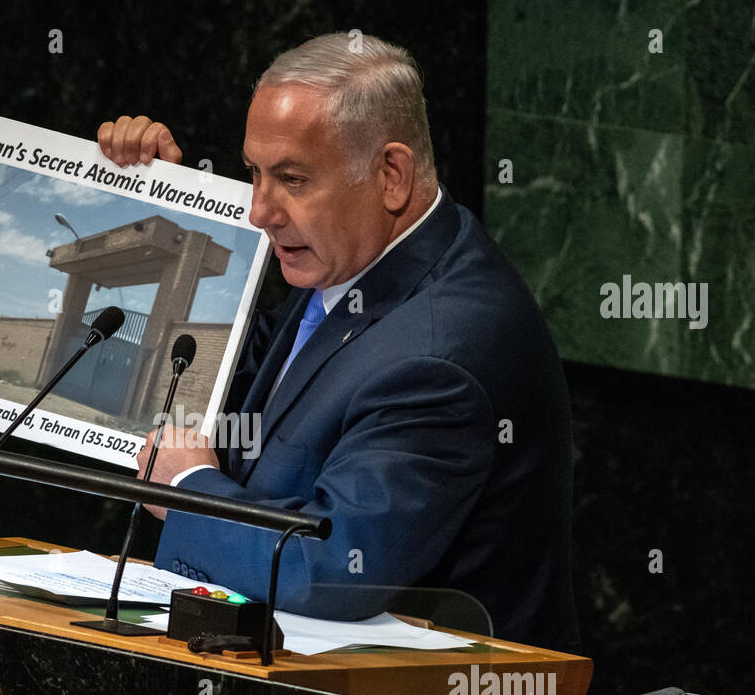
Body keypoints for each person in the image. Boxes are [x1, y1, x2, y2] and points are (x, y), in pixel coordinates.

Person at [98, 34, 579, 653]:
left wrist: (190, 489)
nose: (258, 211)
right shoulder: (365, 260)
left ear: (391, 176)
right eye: (253, 174)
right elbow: (262, 378)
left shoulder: (441, 357)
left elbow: (331, 568)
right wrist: (158, 196)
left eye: (293, 179)